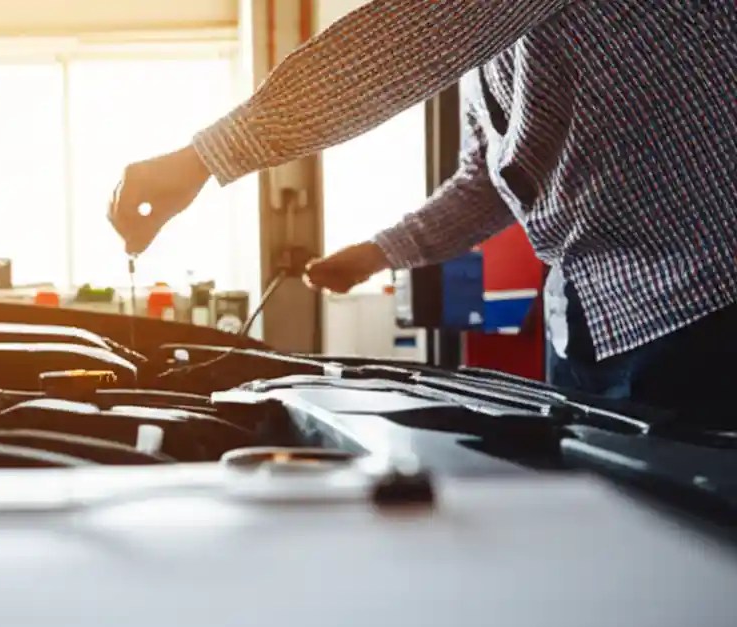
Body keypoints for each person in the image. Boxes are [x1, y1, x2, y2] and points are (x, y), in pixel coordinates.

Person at [107, 0, 737, 426]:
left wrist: (199, 160)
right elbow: (488, 183)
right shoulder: (495, 51)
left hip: (705, 301)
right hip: (589, 318)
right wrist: (381, 252)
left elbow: (396, 46)